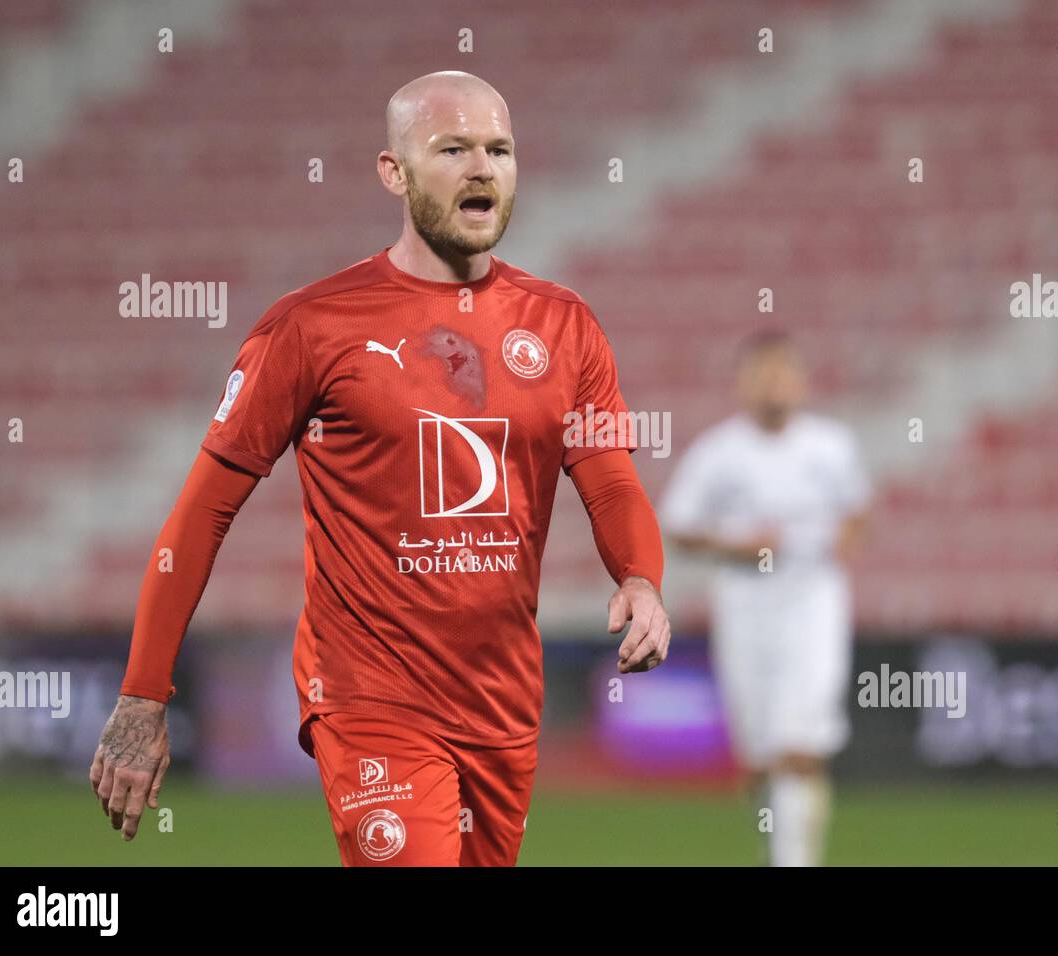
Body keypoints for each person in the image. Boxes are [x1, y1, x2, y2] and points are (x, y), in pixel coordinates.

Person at [89, 71, 671, 866]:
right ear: (393, 173)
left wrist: (640, 577)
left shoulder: (564, 326)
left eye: (499, 148)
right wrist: (142, 693)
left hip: (502, 702)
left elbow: (608, 479)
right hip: (369, 696)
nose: (482, 167)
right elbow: (201, 513)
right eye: (453, 148)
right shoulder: (312, 327)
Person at [659, 330, 870, 866]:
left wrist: (836, 547)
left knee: (799, 745)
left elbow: (856, 511)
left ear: (801, 381)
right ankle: (779, 836)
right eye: (764, 373)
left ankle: (793, 860)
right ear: (744, 383)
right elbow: (678, 527)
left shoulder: (831, 445)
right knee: (758, 759)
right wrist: (736, 546)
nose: (775, 384)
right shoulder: (717, 452)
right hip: (745, 606)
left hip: (811, 603)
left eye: (784, 372)